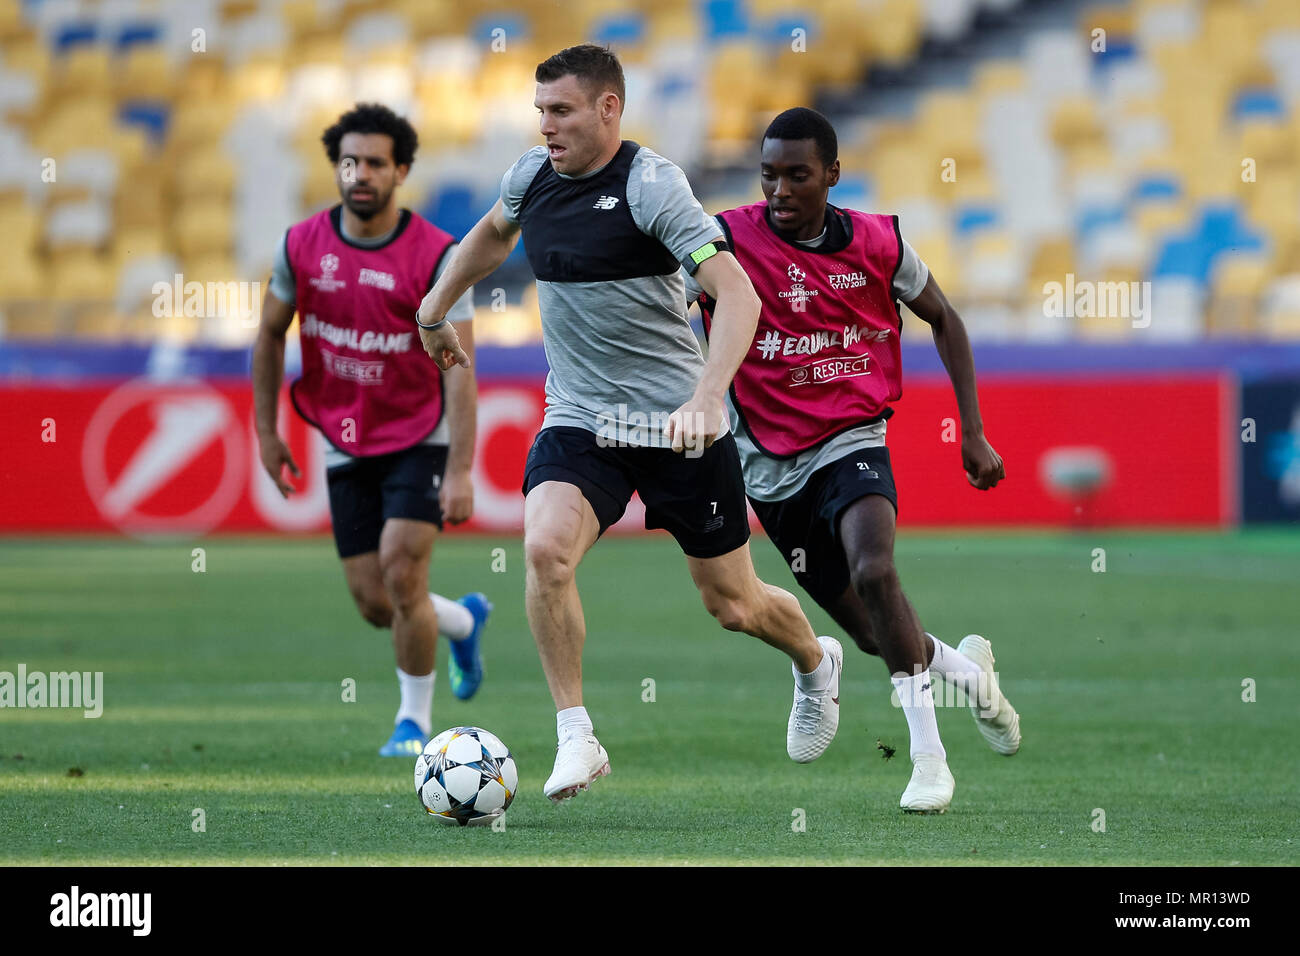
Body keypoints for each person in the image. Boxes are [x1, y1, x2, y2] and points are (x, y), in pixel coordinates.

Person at [416, 45, 841, 802]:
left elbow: (737, 295)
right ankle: (576, 735)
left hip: (680, 424)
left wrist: (709, 396)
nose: (546, 126)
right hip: (582, 416)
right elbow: (488, 235)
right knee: (545, 548)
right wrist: (435, 303)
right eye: (540, 111)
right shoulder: (530, 177)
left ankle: (815, 662)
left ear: (609, 110)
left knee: (733, 605)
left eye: (562, 111)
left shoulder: (652, 187)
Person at [686, 107, 1021, 814]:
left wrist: (973, 431)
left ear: (832, 175)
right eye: (769, 174)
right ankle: (967, 671)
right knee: (875, 632)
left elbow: (946, 317)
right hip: (769, 468)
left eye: (797, 175)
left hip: (853, 439)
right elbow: (667, 302)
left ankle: (929, 761)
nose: (779, 189)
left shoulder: (878, 242)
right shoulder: (725, 242)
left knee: (877, 571)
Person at [252, 103, 491, 758]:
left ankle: (413, 724)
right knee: (376, 600)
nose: (359, 174)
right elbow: (270, 334)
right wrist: (267, 433)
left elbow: (459, 369)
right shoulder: (300, 246)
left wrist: (463, 468)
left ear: (401, 170)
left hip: (421, 432)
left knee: (401, 566)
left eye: (375, 163)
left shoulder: (438, 255)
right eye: (348, 162)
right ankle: (463, 621)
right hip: (344, 433)